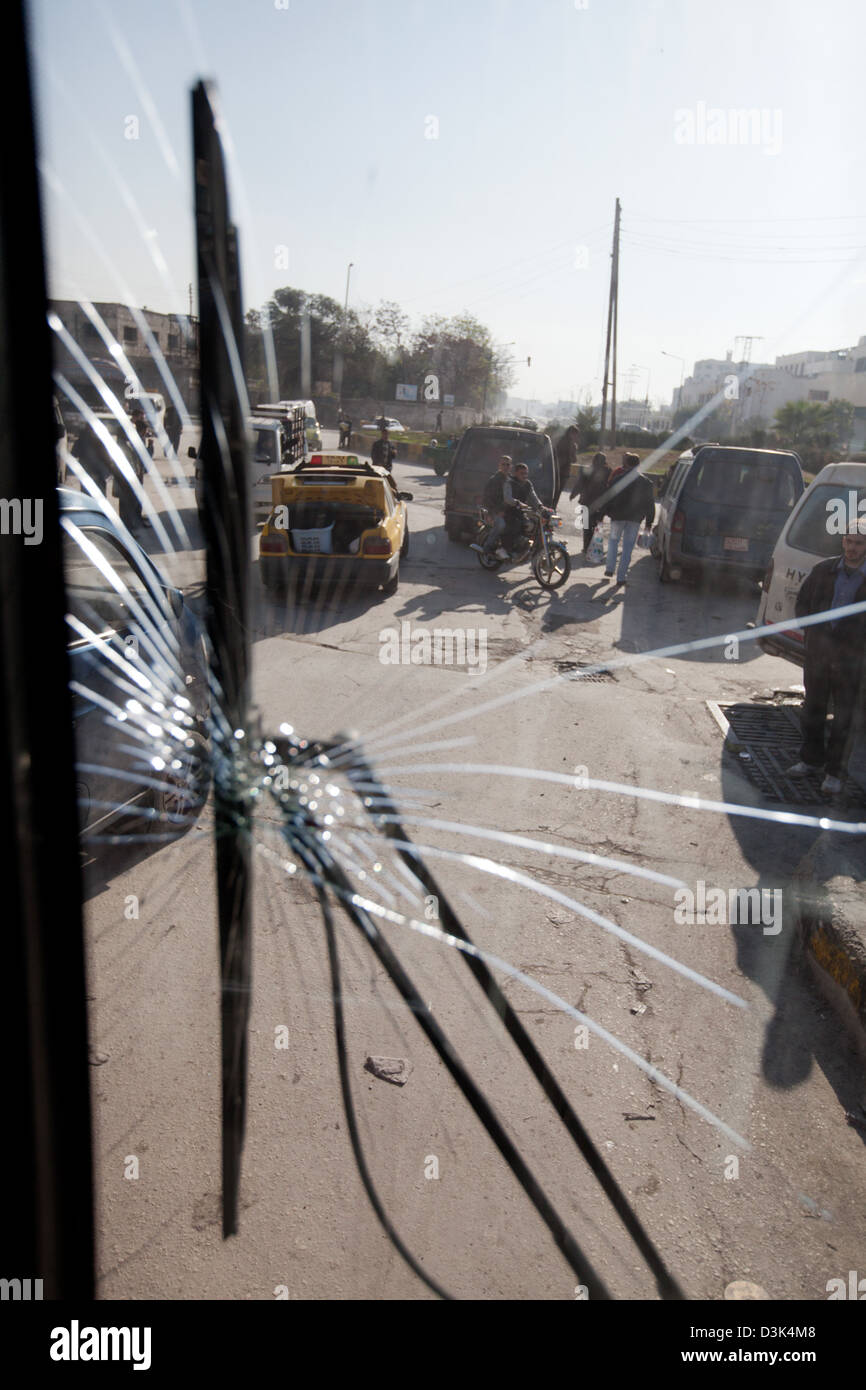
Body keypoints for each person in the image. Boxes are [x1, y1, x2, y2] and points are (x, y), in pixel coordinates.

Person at [787, 525, 866, 796]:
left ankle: (834, 773)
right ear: (843, 542)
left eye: (859, 543)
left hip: (852, 663)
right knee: (812, 711)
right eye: (849, 541)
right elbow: (803, 603)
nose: (853, 548)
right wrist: (812, 631)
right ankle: (809, 760)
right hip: (819, 656)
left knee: (844, 719)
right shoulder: (824, 570)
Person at [601, 451, 655, 586]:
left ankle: (609, 568)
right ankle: (621, 577)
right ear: (639, 465)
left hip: (617, 517)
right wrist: (649, 522)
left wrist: (602, 514)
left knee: (613, 542)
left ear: (626, 463)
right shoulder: (646, 483)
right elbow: (650, 504)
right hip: (635, 519)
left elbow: (607, 498)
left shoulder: (617, 479)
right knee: (628, 548)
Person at [501, 460, 549, 554]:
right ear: (515, 473)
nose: (524, 475)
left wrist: (540, 506)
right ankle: (503, 549)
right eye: (522, 473)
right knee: (515, 525)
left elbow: (533, 497)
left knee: (533, 524)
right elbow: (507, 498)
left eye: (526, 473)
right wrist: (518, 503)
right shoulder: (509, 483)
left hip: (520, 511)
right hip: (507, 510)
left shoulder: (527, 484)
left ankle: (525, 546)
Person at [471, 454, 512, 556]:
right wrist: (496, 512)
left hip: (507, 511)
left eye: (508, 464)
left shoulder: (510, 480)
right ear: (499, 465)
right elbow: (488, 499)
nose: (506, 466)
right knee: (501, 525)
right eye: (504, 464)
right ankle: (487, 547)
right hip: (494, 511)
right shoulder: (494, 480)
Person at [571, 451, 610, 553]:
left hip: (587, 501)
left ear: (594, 460)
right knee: (598, 525)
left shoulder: (587, 469)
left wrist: (573, 494)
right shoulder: (609, 471)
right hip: (601, 503)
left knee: (587, 526)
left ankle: (586, 547)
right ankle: (595, 547)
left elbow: (580, 484)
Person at [554, 425, 580, 507]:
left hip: (564, 471)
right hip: (557, 470)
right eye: (574, 434)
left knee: (558, 491)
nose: (575, 436)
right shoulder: (562, 442)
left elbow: (574, 459)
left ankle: (553, 506)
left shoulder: (573, 445)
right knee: (554, 490)